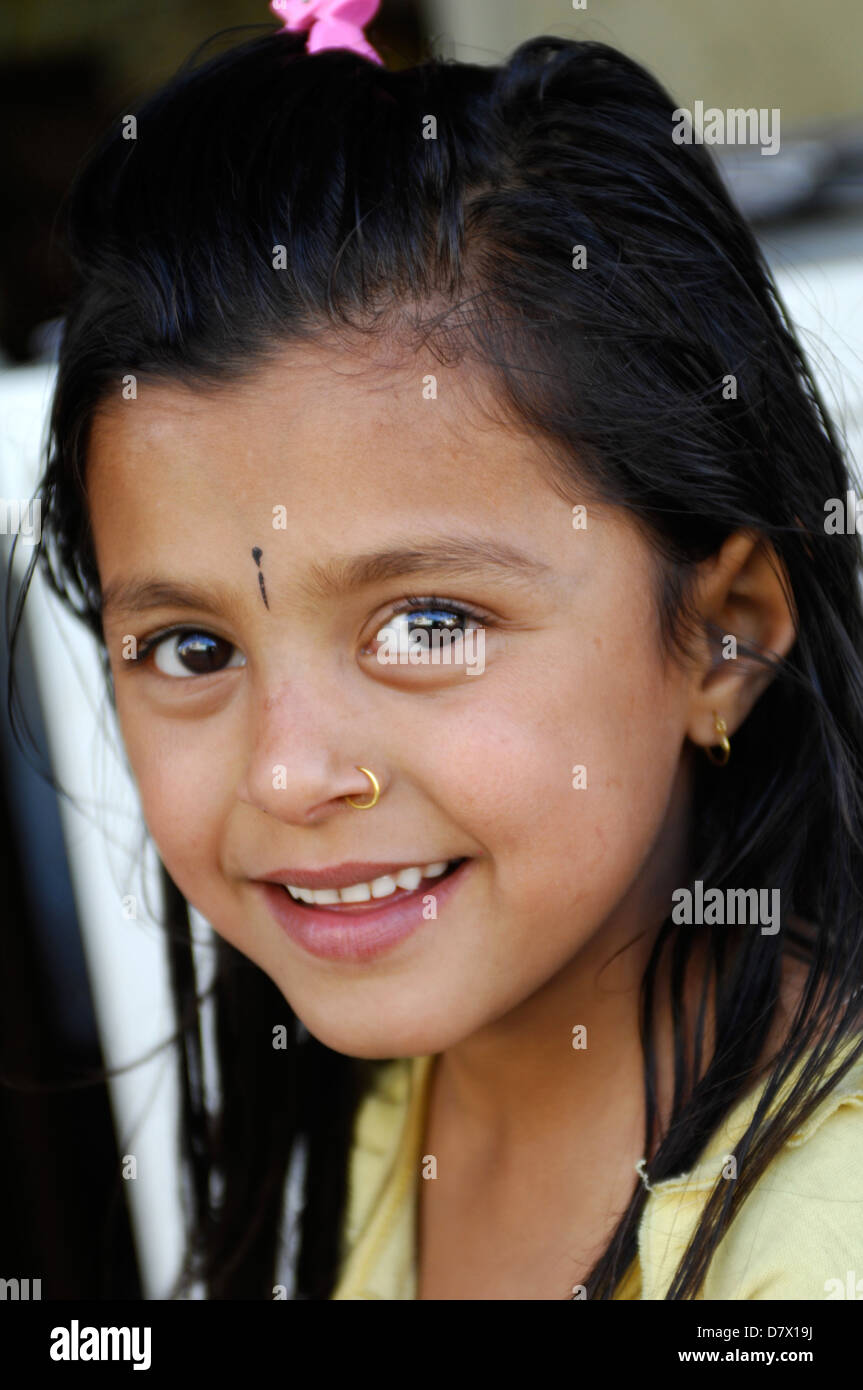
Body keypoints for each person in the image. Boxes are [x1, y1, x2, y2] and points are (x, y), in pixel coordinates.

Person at [13, 5, 863, 1299]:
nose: (293, 774)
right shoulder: (402, 1087)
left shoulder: (819, 1247)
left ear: (723, 629)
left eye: (428, 624)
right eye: (190, 646)